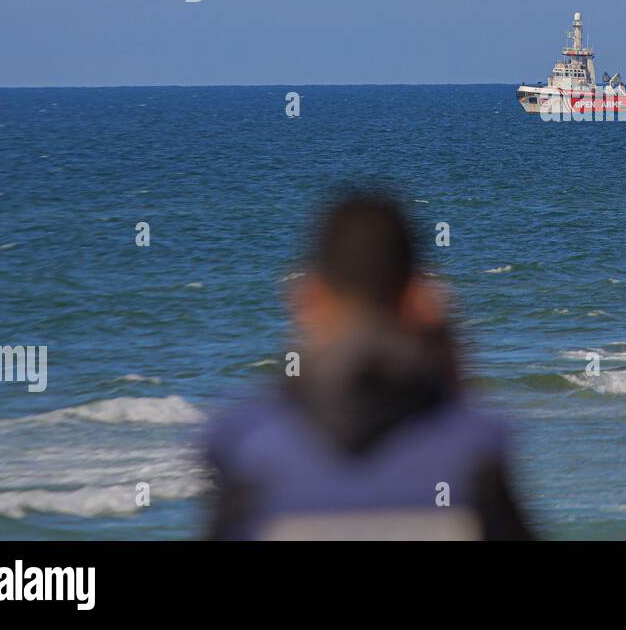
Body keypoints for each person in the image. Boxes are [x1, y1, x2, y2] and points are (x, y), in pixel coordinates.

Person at [203, 191, 533, 539]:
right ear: (417, 298)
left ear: (310, 295)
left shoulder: (247, 448)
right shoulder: (474, 451)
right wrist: (451, 375)